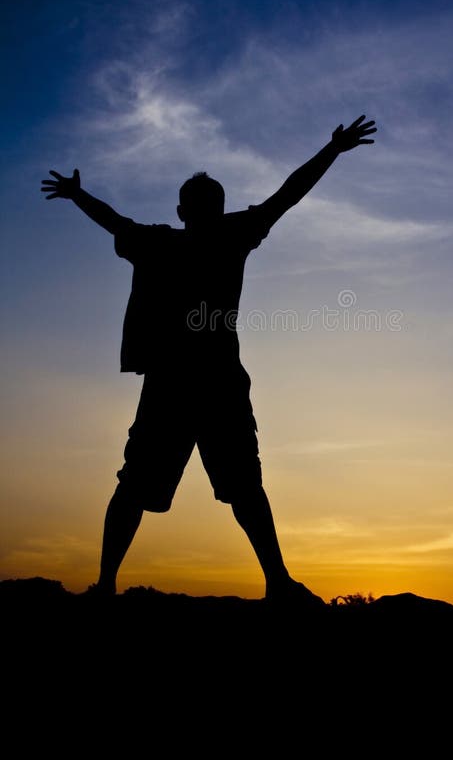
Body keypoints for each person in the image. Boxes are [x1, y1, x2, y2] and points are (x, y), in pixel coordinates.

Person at [41, 115, 377, 604]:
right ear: (201, 210)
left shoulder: (168, 241)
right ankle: (273, 583)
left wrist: (78, 196)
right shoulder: (224, 235)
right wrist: (332, 151)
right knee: (215, 487)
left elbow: (114, 221)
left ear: (185, 210)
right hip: (199, 385)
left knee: (164, 486)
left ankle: (112, 586)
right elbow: (287, 195)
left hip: (188, 386)